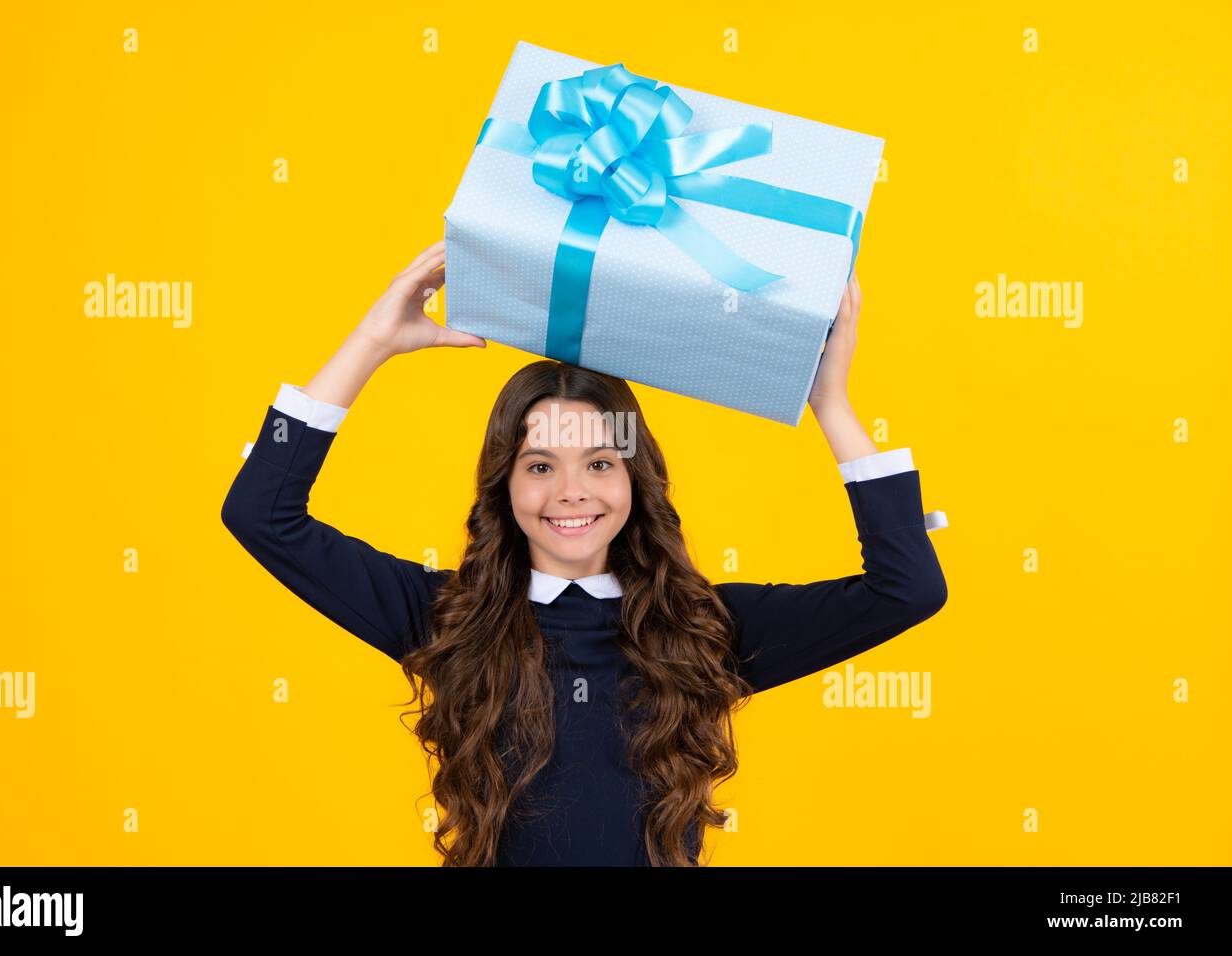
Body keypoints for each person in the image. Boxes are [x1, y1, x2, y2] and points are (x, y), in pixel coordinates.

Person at [221, 237, 947, 866]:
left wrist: (832, 403)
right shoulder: (441, 617)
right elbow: (262, 512)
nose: (571, 491)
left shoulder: (705, 629)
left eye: (599, 463)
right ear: (503, 484)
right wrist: (373, 340)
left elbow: (907, 588)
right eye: (540, 465)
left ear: (636, 476)